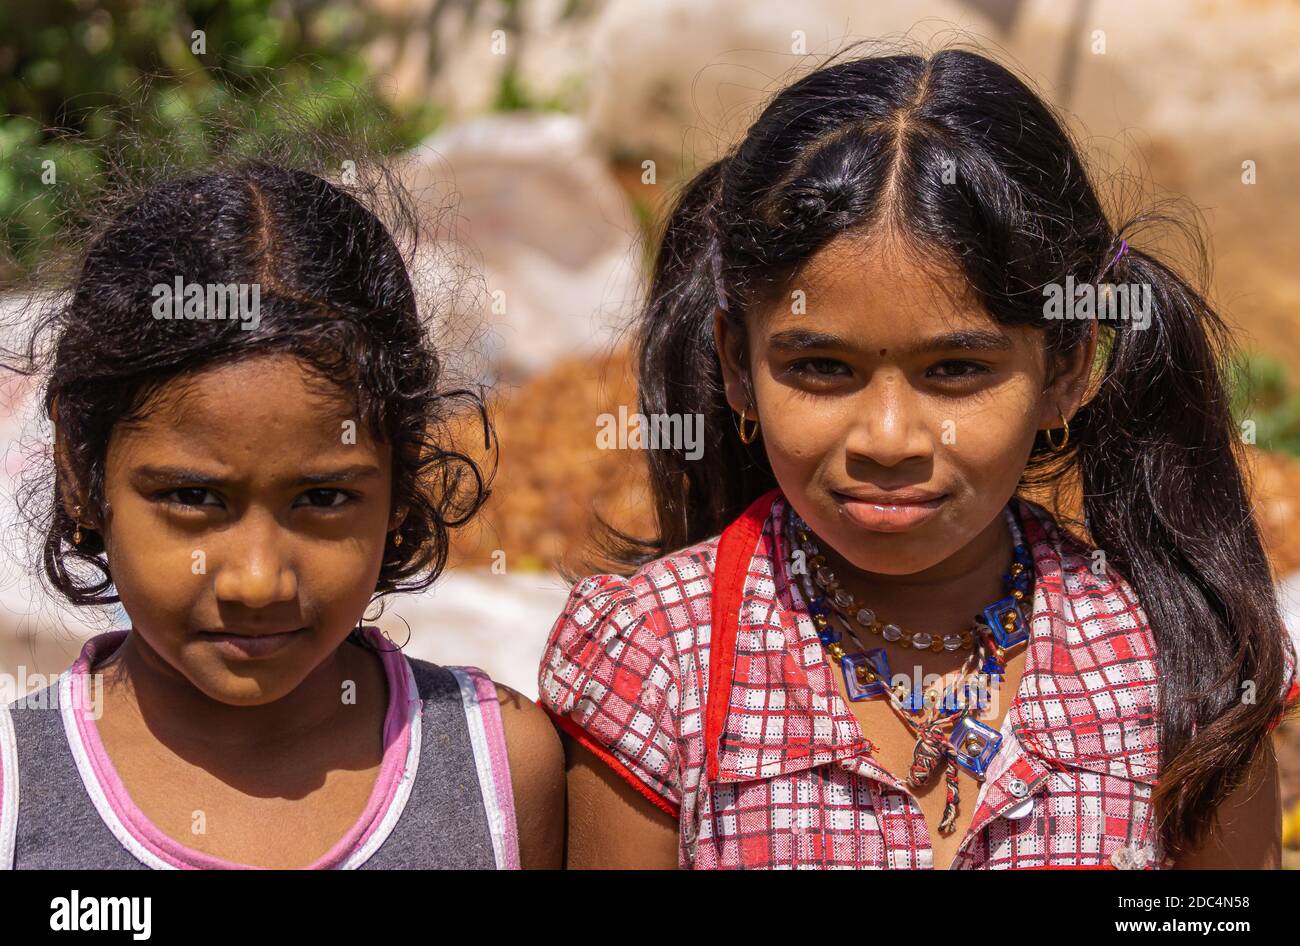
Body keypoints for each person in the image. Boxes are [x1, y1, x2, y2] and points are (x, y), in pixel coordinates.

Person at [539, 47, 1299, 869]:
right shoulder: (662, 662)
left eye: (956, 371)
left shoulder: (1177, 667)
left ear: (1067, 368)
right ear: (737, 364)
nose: (889, 438)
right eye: (822, 368)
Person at [0, 157, 562, 869]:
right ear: (80, 469)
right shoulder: (17, 796)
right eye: (194, 498)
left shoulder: (498, 769)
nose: (258, 583)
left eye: (324, 498)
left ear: (400, 472)